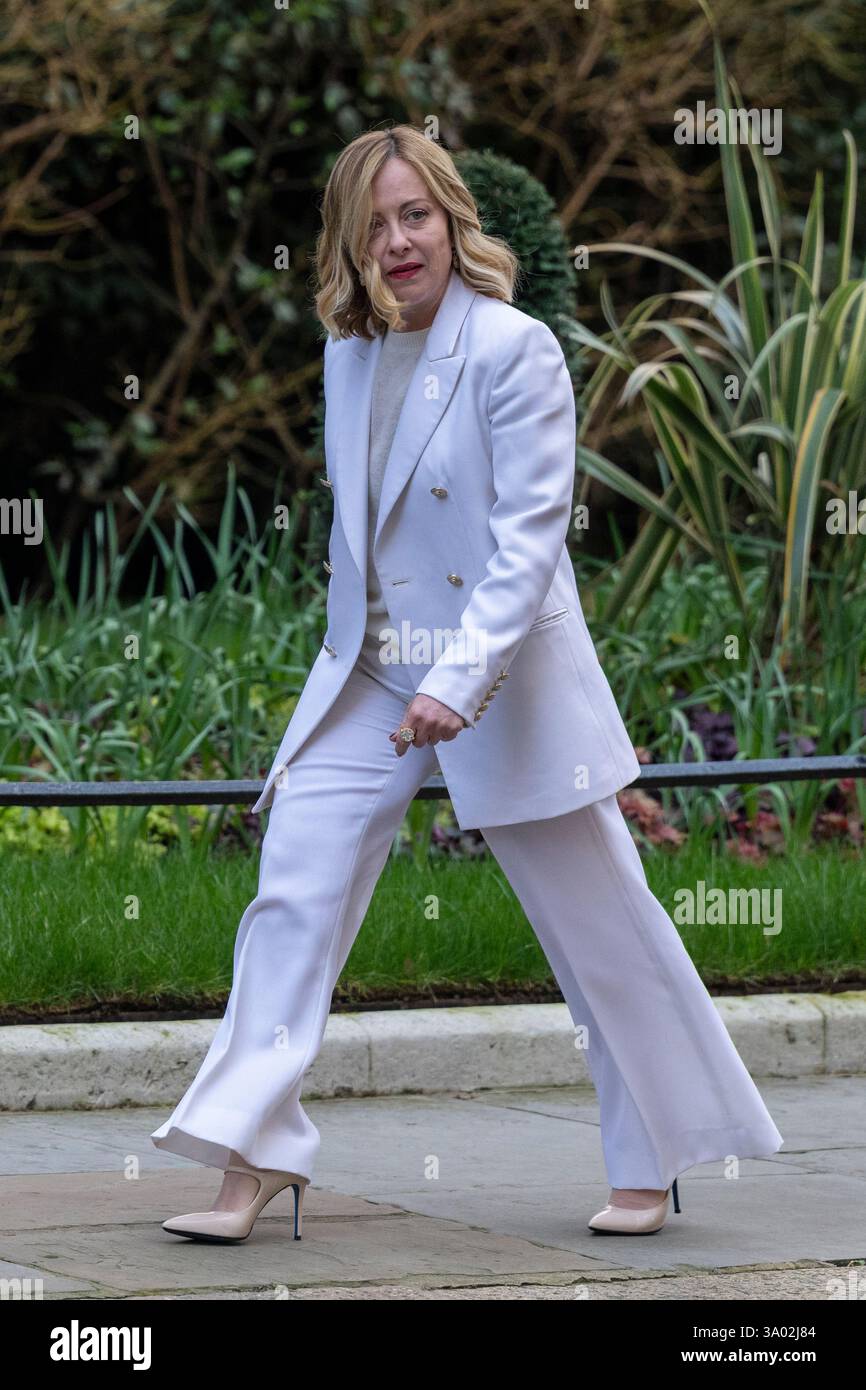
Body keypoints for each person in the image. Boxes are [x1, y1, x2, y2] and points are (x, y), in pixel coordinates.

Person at [151, 124, 783, 1243]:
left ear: (451, 223)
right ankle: (248, 1157)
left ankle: (653, 1159)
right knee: (292, 884)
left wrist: (460, 677)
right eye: (374, 224)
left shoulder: (513, 347)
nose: (398, 242)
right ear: (347, 243)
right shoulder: (347, 358)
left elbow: (529, 537)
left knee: (600, 928)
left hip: (504, 680)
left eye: (416, 217)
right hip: (369, 680)